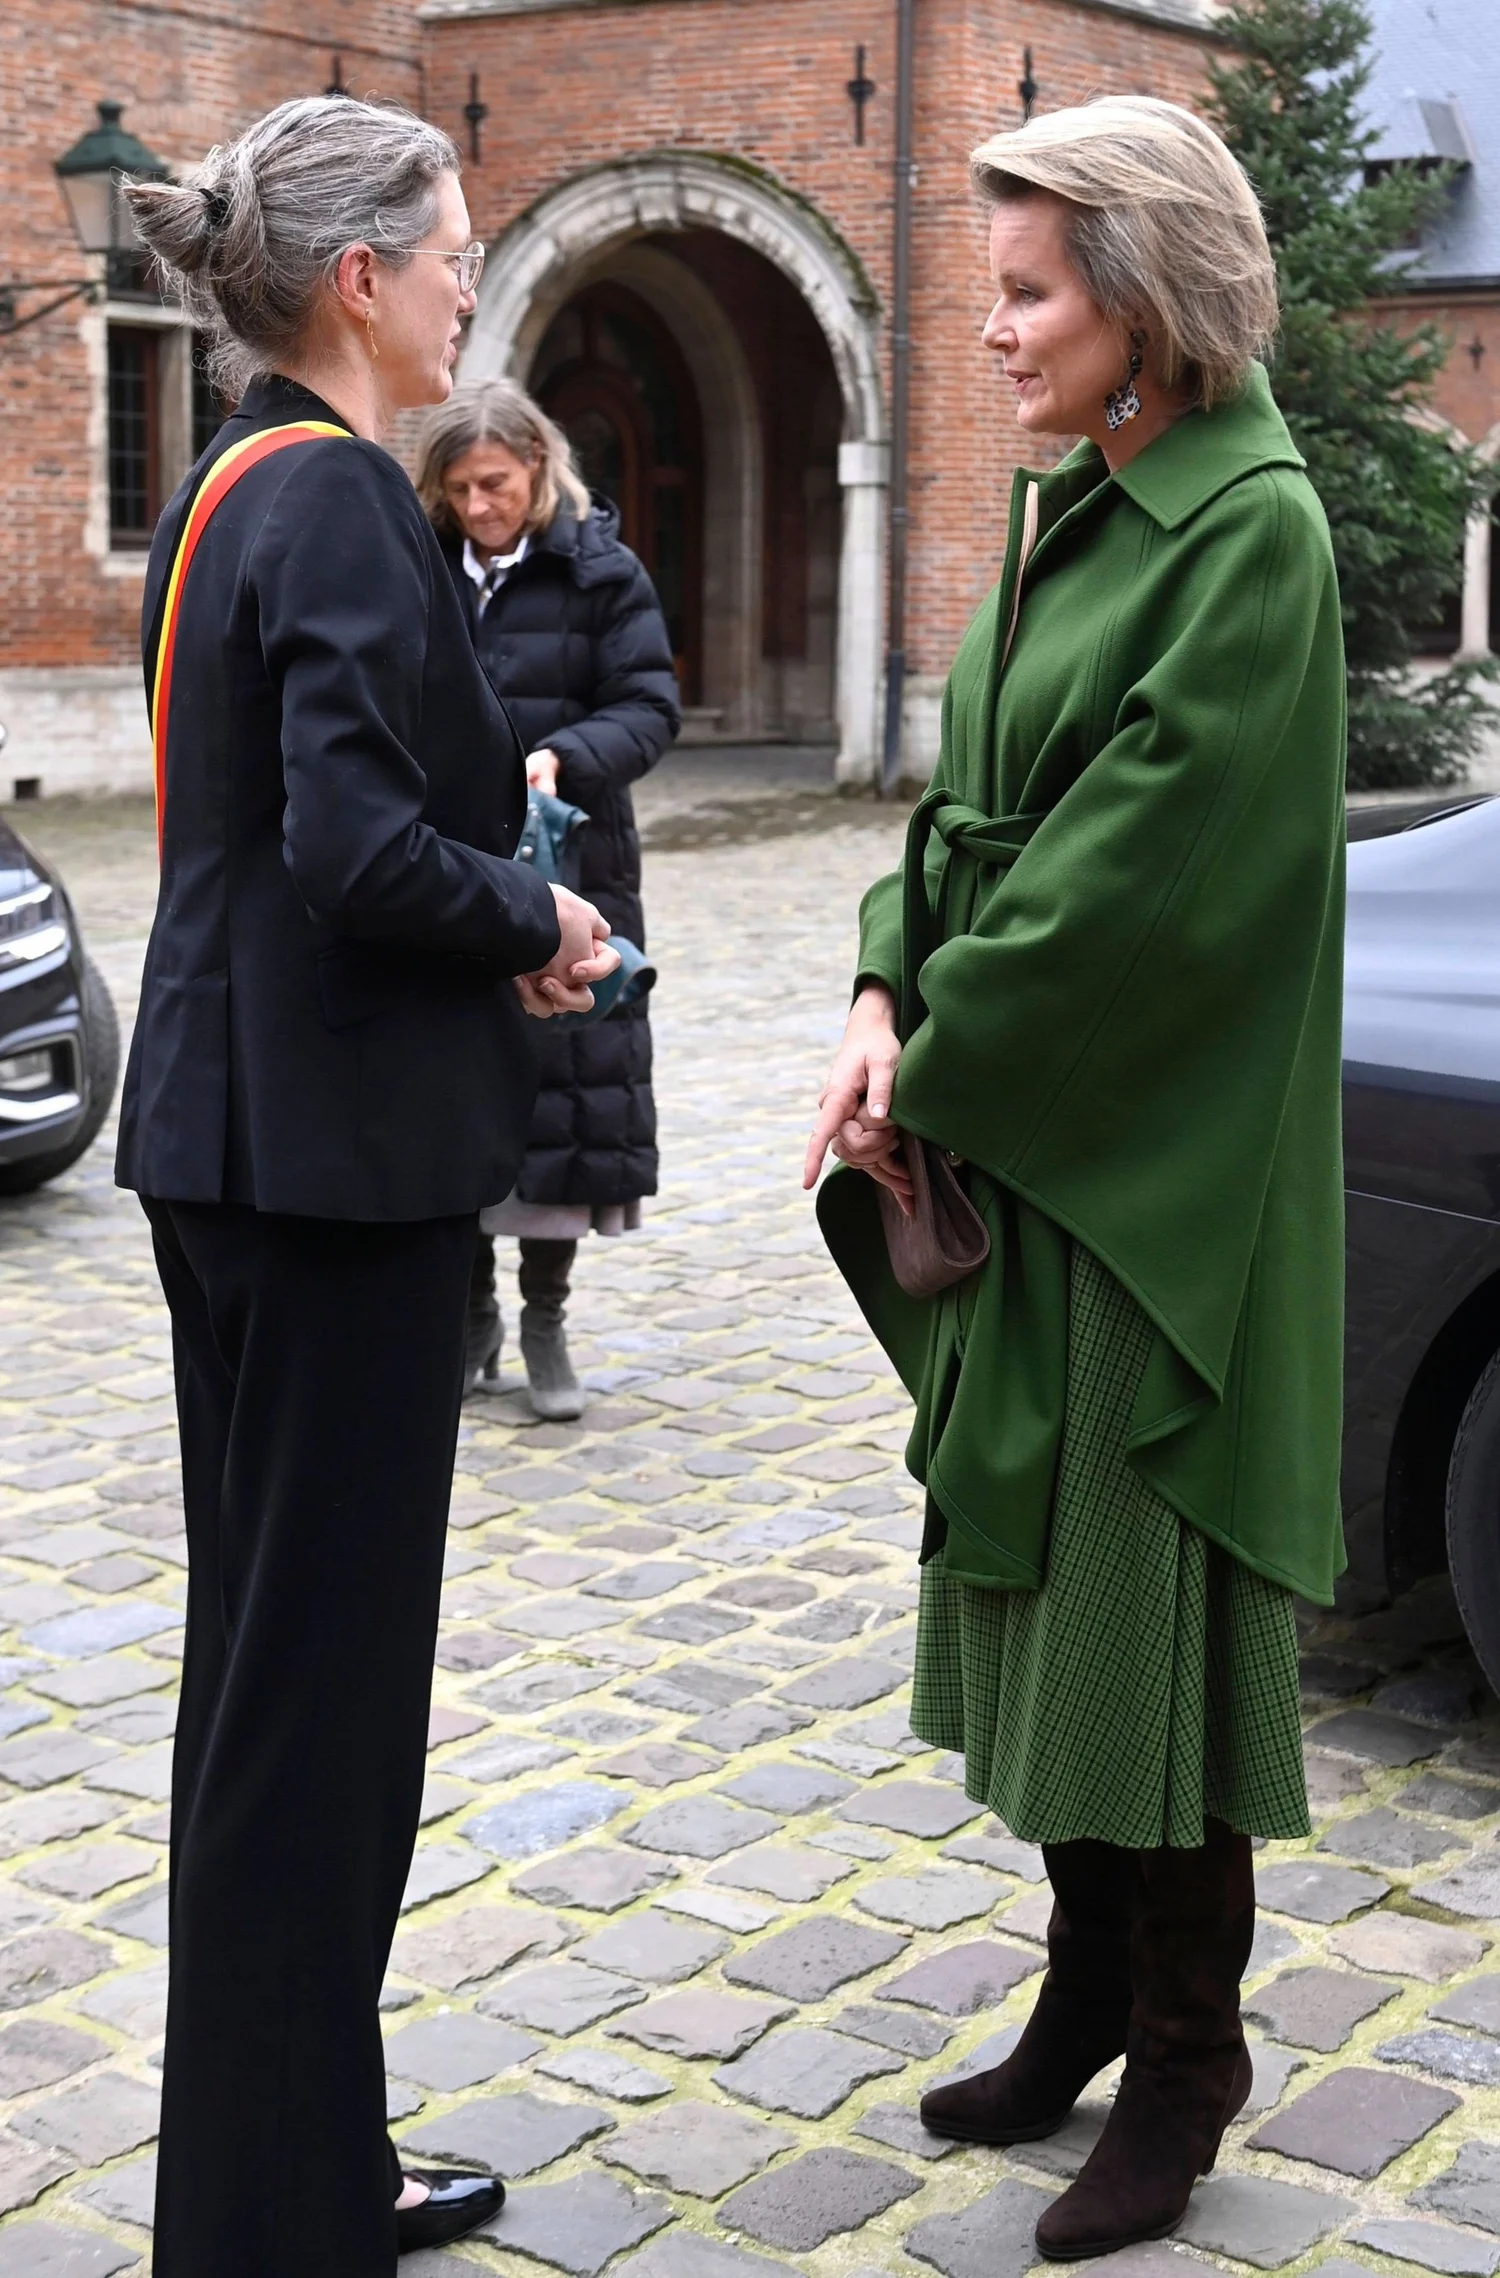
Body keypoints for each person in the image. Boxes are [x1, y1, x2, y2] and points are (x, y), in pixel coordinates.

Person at [805, 96, 1346, 2262]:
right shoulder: (1074, 508)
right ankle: (1087, 1994)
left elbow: (1142, 882)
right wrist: (870, 985)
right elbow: (963, 821)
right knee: (1042, 1603)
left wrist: (936, 1052)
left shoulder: (1251, 530)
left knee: (1151, 1621)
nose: (1000, 333)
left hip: (1152, 1183)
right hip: (1027, 1147)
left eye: (1028, 291)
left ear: (1147, 296)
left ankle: (1192, 2051)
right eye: (999, 287)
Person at [118, 96, 617, 2277]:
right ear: (358, 279)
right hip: (324, 1178)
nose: (464, 280)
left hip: (241, 1138)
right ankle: (276, 2205)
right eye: (448, 247)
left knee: (268, 1690)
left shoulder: (231, 476)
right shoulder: (329, 494)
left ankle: (291, 2158)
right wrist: (532, 918)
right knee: (321, 1715)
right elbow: (343, 841)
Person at [416, 380, 679, 1419]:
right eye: (461, 488)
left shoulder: (603, 571)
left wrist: (567, 755)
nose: (480, 506)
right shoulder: (419, 566)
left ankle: (544, 1315)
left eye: (496, 482)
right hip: (449, 868)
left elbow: (650, 707)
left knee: (564, 1084)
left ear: (536, 465)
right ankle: (470, 1309)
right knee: (456, 1081)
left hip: (577, 866)